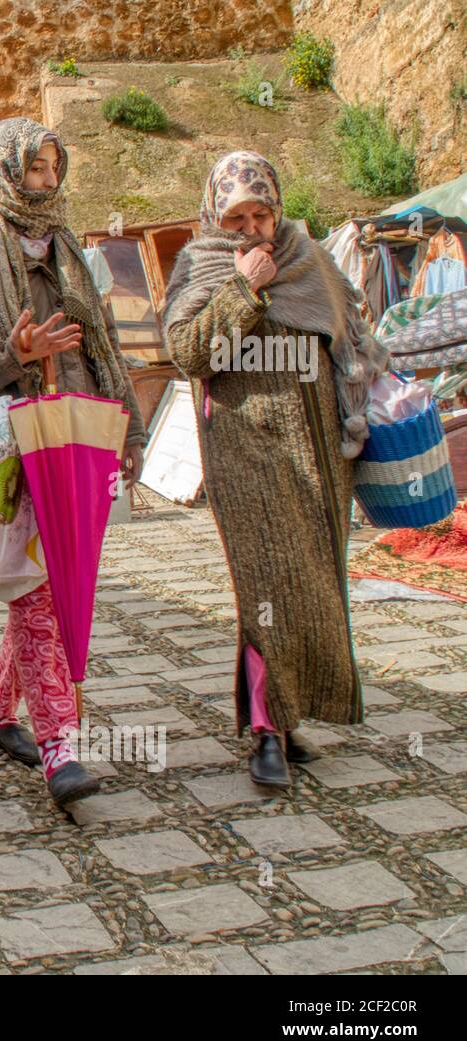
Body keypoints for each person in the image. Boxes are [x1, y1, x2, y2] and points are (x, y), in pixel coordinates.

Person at [0, 117, 148, 807]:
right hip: (11, 452)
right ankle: (60, 746)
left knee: (47, 583)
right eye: (34, 169)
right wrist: (13, 356)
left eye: (53, 168)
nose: (46, 182)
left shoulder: (69, 252)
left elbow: (103, 343)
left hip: (78, 439)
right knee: (42, 593)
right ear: (3, 171)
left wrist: (129, 434)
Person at [163, 150, 388, 788]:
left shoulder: (309, 257)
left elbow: (352, 336)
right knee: (264, 584)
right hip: (244, 446)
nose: (253, 227)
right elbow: (187, 354)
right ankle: (264, 730)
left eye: (262, 213)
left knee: (312, 584)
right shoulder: (206, 265)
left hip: (318, 450)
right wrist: (244, 289)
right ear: (215, 214)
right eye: (238, 216)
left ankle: (289, 720)